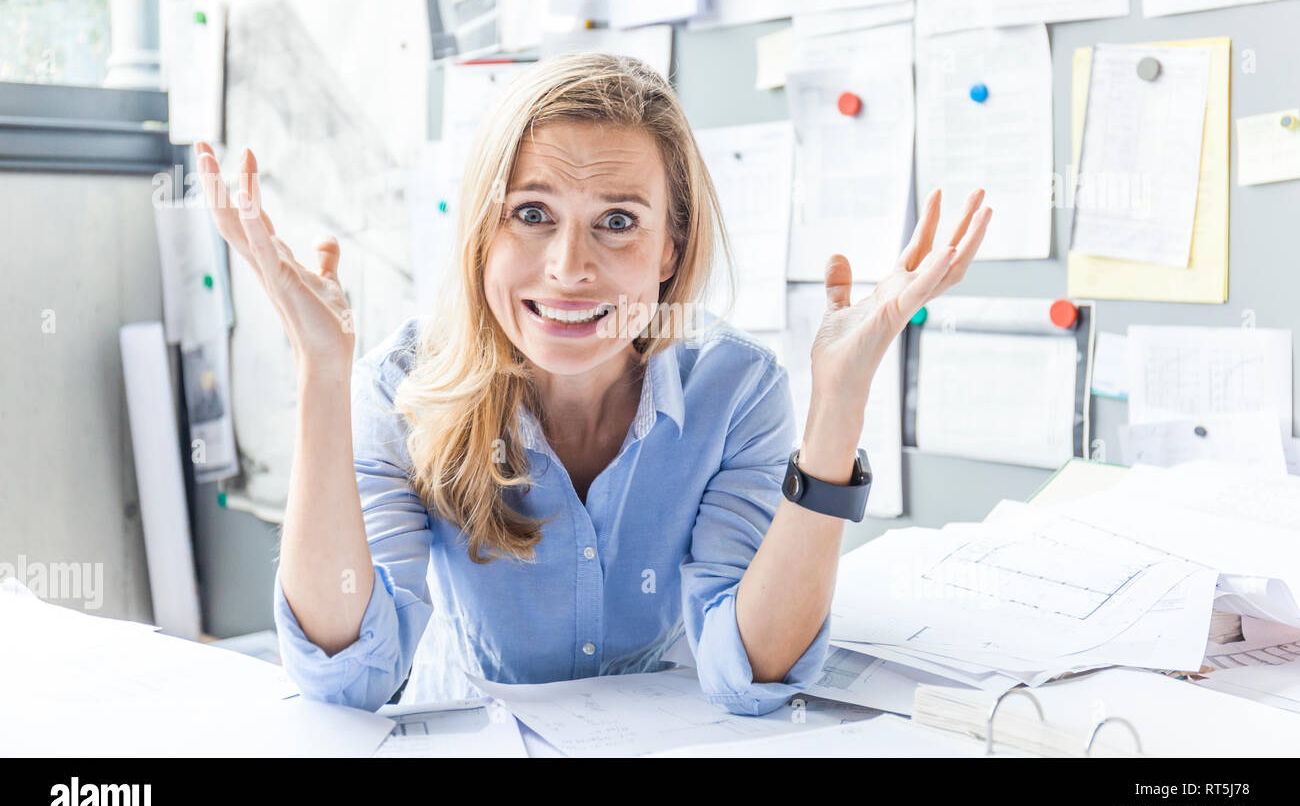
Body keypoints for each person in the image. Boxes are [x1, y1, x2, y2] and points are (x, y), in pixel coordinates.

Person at [194, 51, 990, 716]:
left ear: (671, 249)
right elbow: (346, 672)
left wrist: (840, 406)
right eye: (532, 213)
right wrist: (321, 377)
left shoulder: (735, 390)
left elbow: (752, 674)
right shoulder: (401, 386)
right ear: (482, 233)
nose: (570, 269)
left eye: (617, 222)